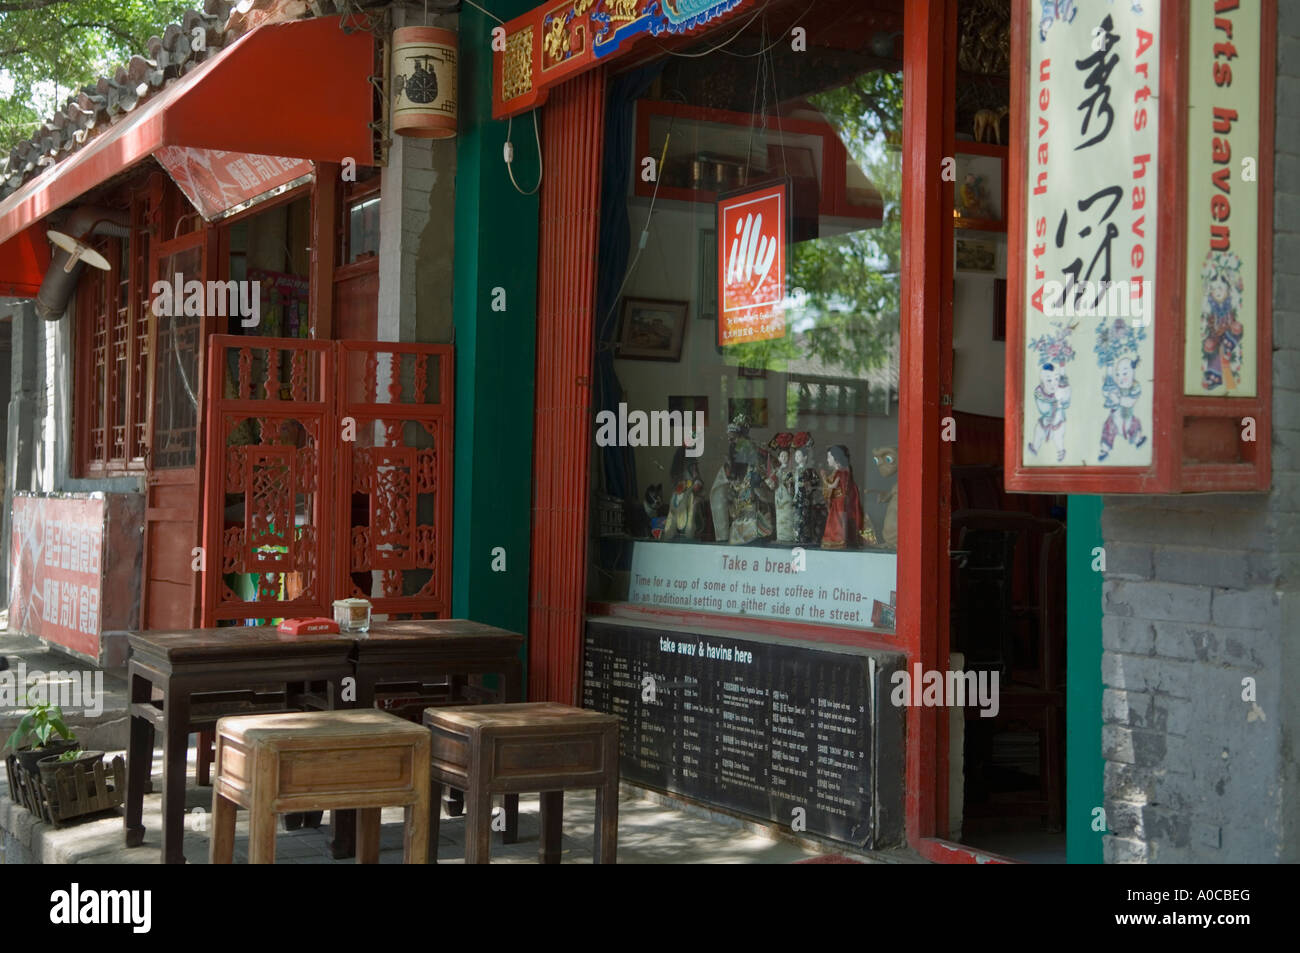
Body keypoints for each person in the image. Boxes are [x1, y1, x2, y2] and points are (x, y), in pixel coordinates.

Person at [821, 445, 864, 550]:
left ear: (836, 458)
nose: (827, 459)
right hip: (838, 501)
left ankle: (839, 539)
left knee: (837, 522)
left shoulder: (841, 472)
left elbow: (833, 486)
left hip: (839, 502)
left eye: (829, 457)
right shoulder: (842, 471)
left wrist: (824, 478)